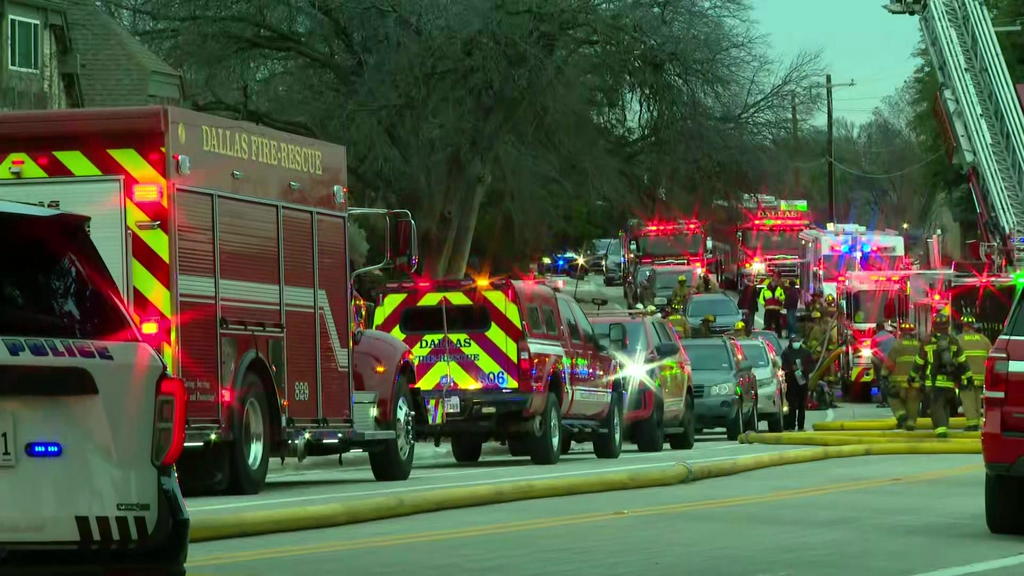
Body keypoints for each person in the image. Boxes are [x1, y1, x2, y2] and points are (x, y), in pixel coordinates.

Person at [912, 313, 972, 438]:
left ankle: (941, 430)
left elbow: (919, 361)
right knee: (945, 405)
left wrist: (912, 376)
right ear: (948, 326)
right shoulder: (953, 341)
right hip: (949, 382)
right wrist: (968, 376)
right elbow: (962, 361)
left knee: (936, 407)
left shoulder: (927, 341)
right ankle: (944, 426)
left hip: (933, 382)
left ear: (933, 326)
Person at [881, 322, 923, 430]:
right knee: (913, 402)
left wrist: (884, 375)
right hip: (914, 381)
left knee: (893, 398)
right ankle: (910, 423)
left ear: (901, 333)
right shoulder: (919, 346)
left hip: (897, 381)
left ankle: (901, 415)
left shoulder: (897, 345)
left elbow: (889, 363)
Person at [958, 314, 990, 431]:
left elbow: (955, 358)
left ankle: (972, 423)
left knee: (967, 399)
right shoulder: (984, 339)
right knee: (977, 399)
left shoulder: (959, 339)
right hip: (982, 376)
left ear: (964, 326)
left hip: (967, 376)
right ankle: (976, 421)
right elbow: (990, 356)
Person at [781, 337, 815, 431]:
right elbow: (783, 365)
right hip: (791, 382)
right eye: (794, 342)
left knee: (801, 405)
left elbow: (812, 365)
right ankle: (791, 425)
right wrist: (791, 368)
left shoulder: (806, 353)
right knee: (791, 405)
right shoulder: (786, 353)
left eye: (797, 341)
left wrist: (804, 369)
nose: (796, 343)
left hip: (803, 382)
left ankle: (801, 426)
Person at [870, 322, 897, 408]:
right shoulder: (891, 337)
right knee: (891, 381)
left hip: (883, 362)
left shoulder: (875, 338)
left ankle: (885, 402)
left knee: (882, 381)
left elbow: (873, 352)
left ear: (877, 329)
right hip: (893, 362)